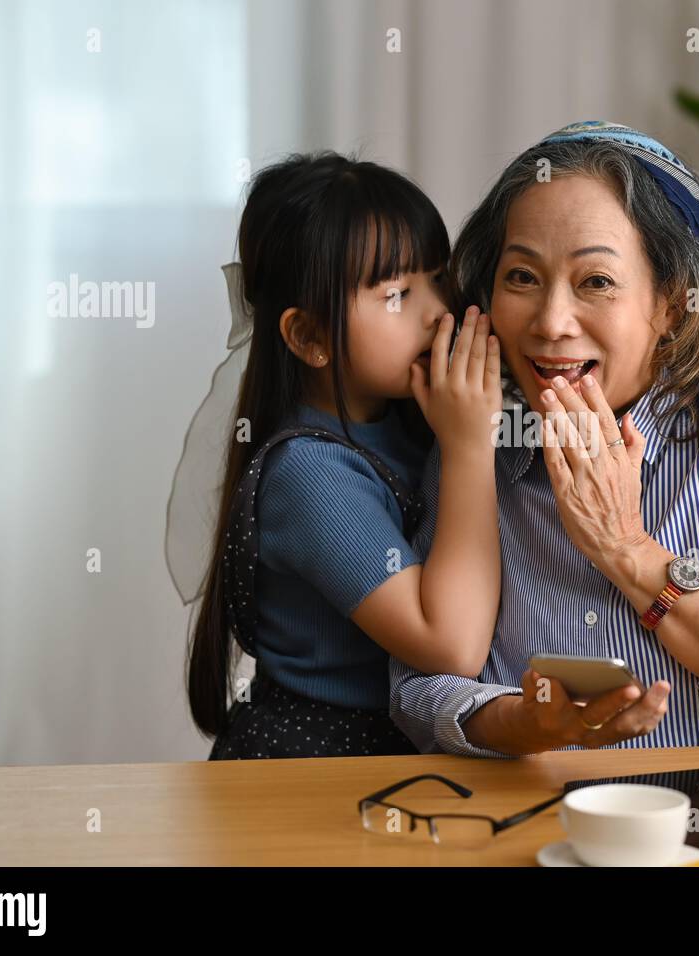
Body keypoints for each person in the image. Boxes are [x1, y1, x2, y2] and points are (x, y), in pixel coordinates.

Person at [390, 122, 699, 756]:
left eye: (596, 282)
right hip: (544, 838)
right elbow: (418, 688)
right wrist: (522, 724)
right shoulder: (479, 445)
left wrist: (629, 550)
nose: (552, 322)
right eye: (522, 278)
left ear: (672, 304)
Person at [184, 152, 502, 758]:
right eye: (398, 293)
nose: (437, 311)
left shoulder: (410, 422)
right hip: (320, 768)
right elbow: (453, 646)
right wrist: (469, 447)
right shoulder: (309, 475)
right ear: (309, 337)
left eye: (437, 278)